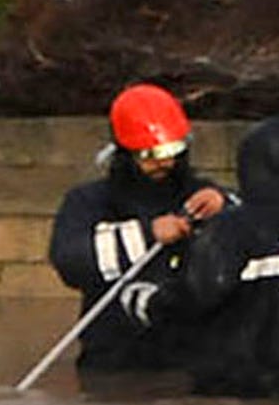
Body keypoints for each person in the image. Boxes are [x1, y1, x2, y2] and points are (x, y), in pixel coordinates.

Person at [133, 117, 279, 398]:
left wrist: (143, 300)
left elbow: (193, 295)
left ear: (248, 166)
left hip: (230, 397)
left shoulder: (234, 227)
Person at [46, 83, 227, 379]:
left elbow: (256, 234)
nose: (164, 162)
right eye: (149, 155)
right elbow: (69, 261)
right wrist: (147, 235)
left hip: (191, 359)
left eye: (172, 151)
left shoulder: (202, 196)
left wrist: (226, 205)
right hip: (113, 360)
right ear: (124, 153)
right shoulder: (89, 201)